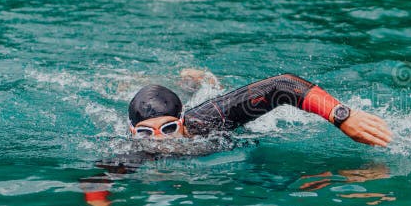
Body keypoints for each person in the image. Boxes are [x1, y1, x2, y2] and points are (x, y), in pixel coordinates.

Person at [127, 72, 393, 147]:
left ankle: (199, 82)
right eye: (145, 135)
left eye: (169, 128)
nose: (160, 141)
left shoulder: (211, 122)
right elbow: (99, 177)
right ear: (132, 132)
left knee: (208, 92)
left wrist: (343, 116)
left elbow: (282, 86)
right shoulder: (132, 152)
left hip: (207, 109)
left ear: (182, 123)